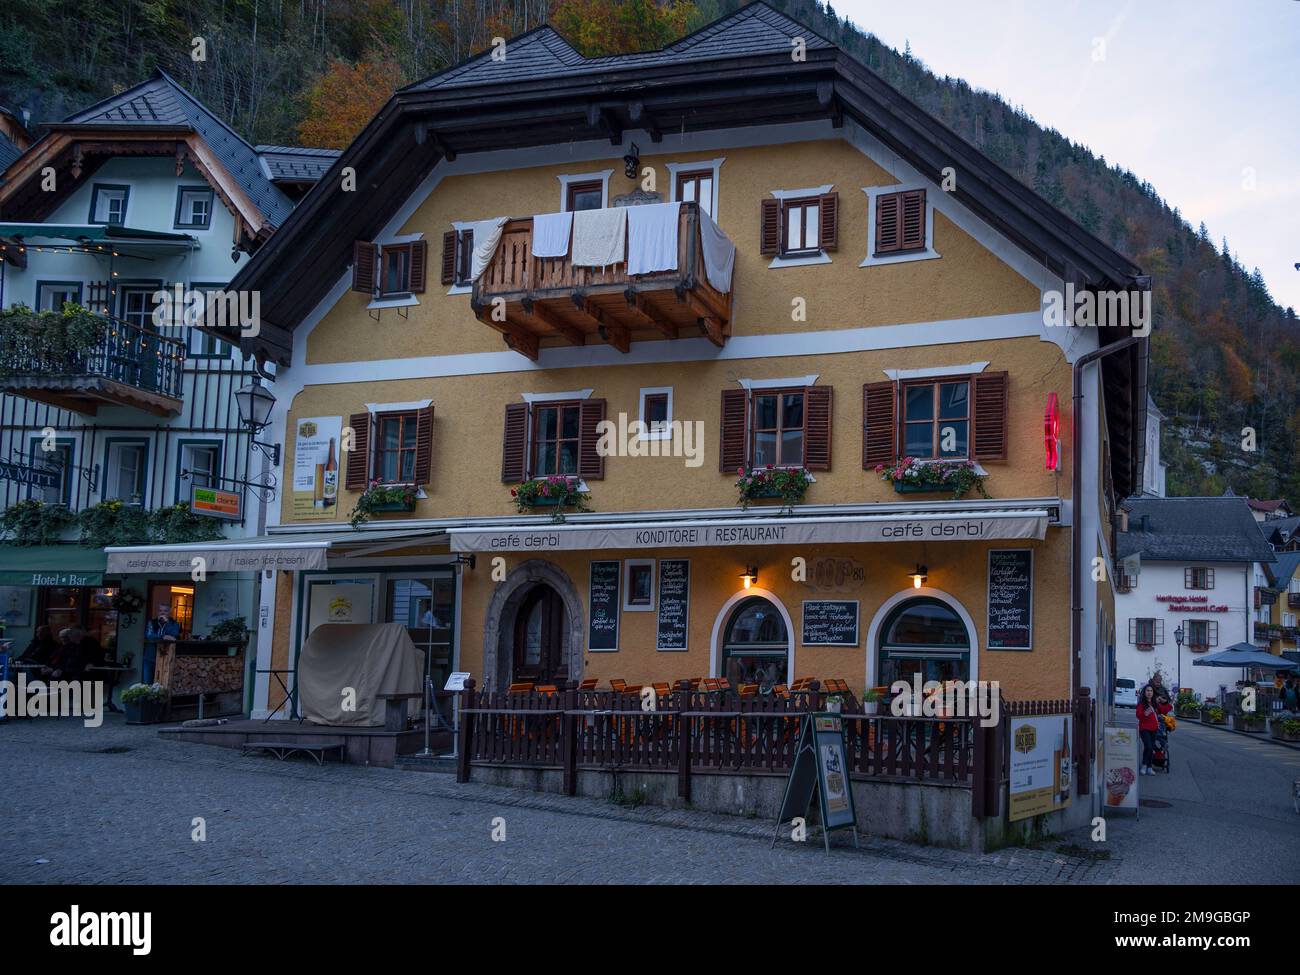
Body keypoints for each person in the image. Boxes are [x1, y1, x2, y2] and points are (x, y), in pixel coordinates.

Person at [1136, 684, 1171, 775]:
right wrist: (1145, 713)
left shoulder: (1155, 704)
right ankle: (1144, 766)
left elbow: (1164, 710)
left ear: (1153, 693)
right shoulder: (1142, 703)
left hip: (1154, 728)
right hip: (1144, 729)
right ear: (1144, 692)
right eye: (1147, 691)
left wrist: (1166, 702)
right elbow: (1138, 716)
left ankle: (1149, 767)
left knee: (1150, 749)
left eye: (1151, 691)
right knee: (1148, 747)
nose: (1149, 692)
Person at [143, 607, 180, 684]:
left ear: (169, 612)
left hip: (166, 659)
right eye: (160, 610)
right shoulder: (152, 622)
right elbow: (149, 635)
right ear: (158, 612)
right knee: (147, 683)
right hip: (150, 658)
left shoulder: (174, 623)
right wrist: (163, 636)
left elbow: (174, 635)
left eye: (165, 610)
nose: (162, 613)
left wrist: (168, 623)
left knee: (162, 684)